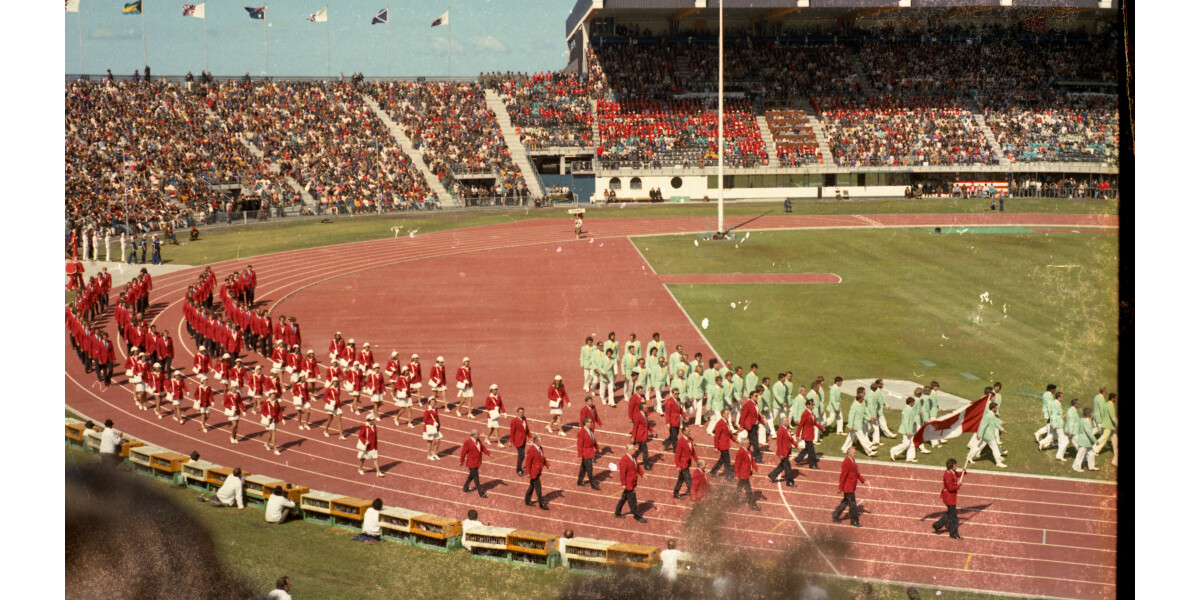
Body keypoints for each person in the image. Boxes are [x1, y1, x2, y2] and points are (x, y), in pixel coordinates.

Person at [932, 459, 965, 539]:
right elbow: (950, 488)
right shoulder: (947, 475)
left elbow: (957, 475)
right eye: (955, 465)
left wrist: (963, 472)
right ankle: (954, 534)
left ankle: (937, 525)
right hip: (949, 498)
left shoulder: (951, 472)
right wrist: (958, 485)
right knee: (954, 518)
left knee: (949, 514)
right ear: (952, 466)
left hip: (951, 497)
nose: (956, 466)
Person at [967, 402, 1008, 468]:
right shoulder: (988, 415)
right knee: (995, 449)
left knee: (979, 446)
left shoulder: (991, 414)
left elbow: (995, 423)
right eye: (996, 408)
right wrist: (979, 435)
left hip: (986, 436)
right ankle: (998, 462)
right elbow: (983, 425)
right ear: (993, 408)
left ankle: (969, 456)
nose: (997, 409)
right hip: (989, 436)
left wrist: (1003, 429)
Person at [833, 447, 865, 527]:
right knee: (853, 505)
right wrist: (840, 488)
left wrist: (862, 480)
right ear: (849, 453)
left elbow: (856, 472)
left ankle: (835, 515)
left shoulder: (852, 461)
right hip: (848, 487)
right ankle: (854, 521)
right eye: (854, 453)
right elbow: (843, 476)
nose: (856, 454)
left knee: (845, 502)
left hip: (851, 486)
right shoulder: (846, 462)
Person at [615, 443, 647, 522]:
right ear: (629, 450)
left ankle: (617, 512)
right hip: (628, 484)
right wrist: (623, 484)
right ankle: (637, 516)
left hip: (632, 482)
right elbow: (622, 473)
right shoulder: (624, 460)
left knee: (624, 498)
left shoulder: (633, 457)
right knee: (633, 501)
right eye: (633, 449)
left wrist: (642, 474)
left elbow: (637, 467)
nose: (635, 449)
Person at [841, 388, 876, 456]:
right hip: (856, 426)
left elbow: (863, 413)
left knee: (850, 437)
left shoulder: (861, 402)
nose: (864, 398)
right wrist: (850, 426)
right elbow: (851, 417)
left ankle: (844, 448)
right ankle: (869, 451)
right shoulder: (854, 406)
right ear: (859, 397)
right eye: (863, 394)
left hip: (859, 424)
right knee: (862, 439)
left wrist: (869, 417)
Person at [734, 432, 762, 510]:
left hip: (746, 474)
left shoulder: (748, 450)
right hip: (743, 475)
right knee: (748, 490)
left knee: (739, 489)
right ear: (743, 444)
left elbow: (751, 460)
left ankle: (733, 501)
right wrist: (736, 474)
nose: (749, 444)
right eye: (748, 443)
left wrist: (755, 467)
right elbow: (737, 464)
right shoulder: (741, 452)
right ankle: (753, 505)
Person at [460, 429, 491, 498]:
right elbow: (463, 453)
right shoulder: (467, 442)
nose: (479, 435)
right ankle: (481, 493)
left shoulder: (478, 441)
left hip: (477, 462)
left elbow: (482, 448)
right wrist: (462, 461)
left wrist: (488, 453)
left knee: (471, 476)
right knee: (476, 479)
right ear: (474, 435)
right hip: (471, 463)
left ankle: (465, 488)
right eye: (478, 434)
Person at [768, 415, 799, 485]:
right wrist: (781, 454)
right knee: (787, 467)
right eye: (787, 421)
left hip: (787, 451)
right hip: (784, 452)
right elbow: (779, 443)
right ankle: (789, 481)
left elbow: (790, 439)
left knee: (782, 465)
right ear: (783, 422)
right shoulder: (780, 431)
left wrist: (796, 445)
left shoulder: (787, 429)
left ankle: (772, 475)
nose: (788, 422)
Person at [523, 434, 550, 510]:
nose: (541, 442)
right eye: (539, 441)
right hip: (534, 472)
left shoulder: (540, 448)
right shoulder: (531, 450)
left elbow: (543, 458)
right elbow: (528, 462)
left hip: (538, 471)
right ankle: (541, 504)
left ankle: (527, 500)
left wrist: (547, 465)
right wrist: (528, 472)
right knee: (538, 489)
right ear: (535, 441)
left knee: (532, 486)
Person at [890, 397, 920, 463]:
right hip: (907, 430)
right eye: (913, 403)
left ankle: (910, 457)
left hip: (910, 429)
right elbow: (905, 422)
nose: (914, 404)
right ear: (911, 403)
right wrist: (907, 431)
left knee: (912, 443)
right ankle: (893, 450)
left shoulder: (909, 409)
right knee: (906, 444)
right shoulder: (907, 410)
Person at [673, 424, 698, 499]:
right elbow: (677, 455)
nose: (689, 432)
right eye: (688, 431)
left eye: (689, 430)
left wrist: (697, 460)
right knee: (689, 481)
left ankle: (676, 493)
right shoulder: (680, 442)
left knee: (681, 480)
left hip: (686, 463)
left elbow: (692, 451)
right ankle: (693, 495)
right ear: (683, 432)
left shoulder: (689, 439)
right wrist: (678, 465)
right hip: (683, 464)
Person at [795, 398, 820, 469]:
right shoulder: (805, 414)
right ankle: (812, 464)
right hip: (807, 435)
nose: (813, 406)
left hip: (810, 434)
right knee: (811, 450)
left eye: (813, 404)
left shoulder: (811, 413)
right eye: (812, 404)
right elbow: (800, 425)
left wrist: (821, 427)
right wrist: (797, 435)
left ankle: (798, 459)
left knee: (807, 449)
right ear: (808, 405)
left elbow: (814, 422)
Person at [1094, 392, 1118, 467]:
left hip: (1107, 425)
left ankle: (1115, 452)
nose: (1116, 399)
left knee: (1115, 439)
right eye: (1115, 398)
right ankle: (1094, 449)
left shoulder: (1106, 404)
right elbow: (1113, 417)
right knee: (1104, 438)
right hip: (1109, 425)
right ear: (1113, 398)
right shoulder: (1110, 405)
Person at [576, 416, 600, 489]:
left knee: (583, 468)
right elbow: (579, 444)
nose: (592, 423)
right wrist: (580, 454)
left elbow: (593, 440)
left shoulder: (590, 430)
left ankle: (579, 481)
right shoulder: (582, 432)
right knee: (589, 469)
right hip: (586, 453)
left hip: (589, 452)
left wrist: (597, 447)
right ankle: (593, 484)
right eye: (590, 422)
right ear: (586, 423)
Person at [710, 408, 734, 479]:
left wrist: (735, 439)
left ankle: (713, 471)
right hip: (723, 445)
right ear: (723, 414)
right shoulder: (720, 423)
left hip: (726, 444)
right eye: (727, 414)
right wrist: (716, 447)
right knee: (727, 461)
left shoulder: (726, 422)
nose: (728, 415)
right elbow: (716, 436)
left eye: (728, 414)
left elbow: (729, 433)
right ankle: (728, 477)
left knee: (722, 460)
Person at [630, 398, 653, 470]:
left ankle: (632, 459)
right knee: (645, 451)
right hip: (640, 436)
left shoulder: (645, 414)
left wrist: (651, 430)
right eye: (645, 408)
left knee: (640, 450)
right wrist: (633, 437)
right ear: (641, 409)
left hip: (644, 435)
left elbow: (646, 423)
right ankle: (646, 465)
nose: (647, 409)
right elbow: (635, 427)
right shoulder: (638, 416)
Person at [510, 407, 530, 476]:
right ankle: (518, 470)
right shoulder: (514, 421)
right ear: (517, 413)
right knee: (522, 455)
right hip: (518, 441)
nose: (522, 414)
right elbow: (512, 432)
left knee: (521, 455)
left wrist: (529, 436)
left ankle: (519, 468)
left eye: (522, 412)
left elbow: (526, 428)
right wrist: (511, 441)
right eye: (520, 412)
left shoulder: (524, 419)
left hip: (523, 440)